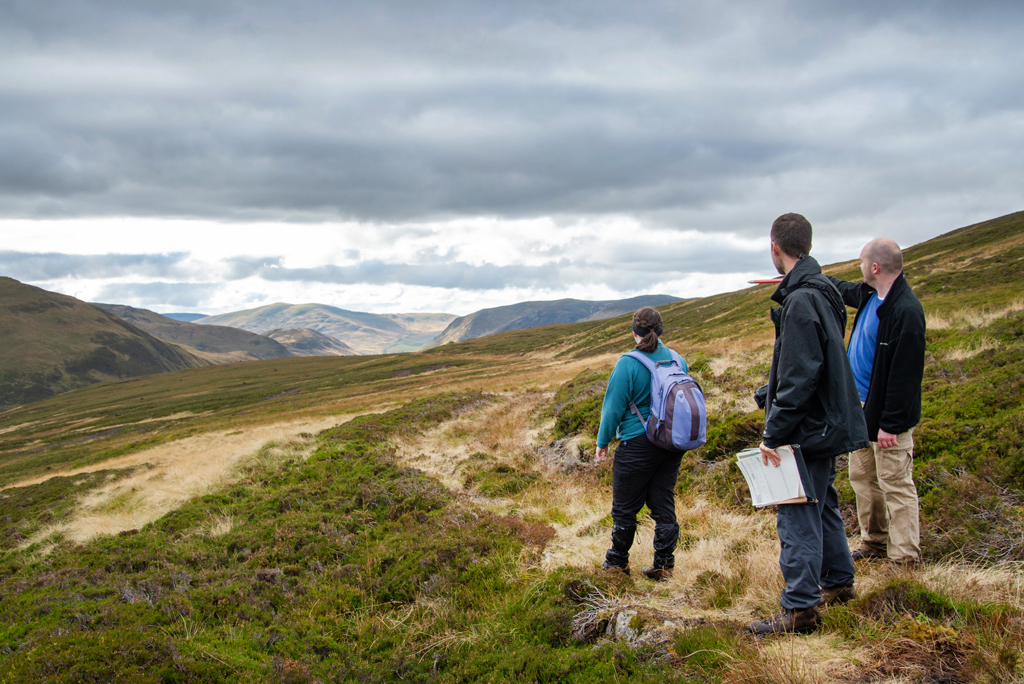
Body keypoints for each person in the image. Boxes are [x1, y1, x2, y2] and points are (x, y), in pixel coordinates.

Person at [747, 213, 870, 636]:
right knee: (823, 502)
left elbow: (800, 377)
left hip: (808, 428)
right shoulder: (824, 290)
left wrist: (774, 433)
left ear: (775, 247)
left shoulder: (801, 300)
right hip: (826, 422)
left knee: (796, 509)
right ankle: (838, 581)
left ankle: (800, 608)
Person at [827, 239, 926, 566]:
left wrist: (890, 425)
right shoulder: (871, 295)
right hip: (860, 411)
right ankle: (874, 542)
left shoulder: (906, 311)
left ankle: (904, 558)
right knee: (864, 480)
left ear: (874, 267)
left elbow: (906, 377)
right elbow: (842, 289)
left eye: (861, 261)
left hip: (886, 420)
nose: (858, 266)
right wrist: (806, 273)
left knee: (895, 485)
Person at [595, 307, 687, 581]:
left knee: (624, 507)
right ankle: (664, 566)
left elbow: (612, 408)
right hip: (671, 443)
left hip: (638, 442)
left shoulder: (628, 363)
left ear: (634, 332)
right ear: (661, 330)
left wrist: (602, 441)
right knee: (663, 502)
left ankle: (616, 565)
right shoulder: (677, 359)